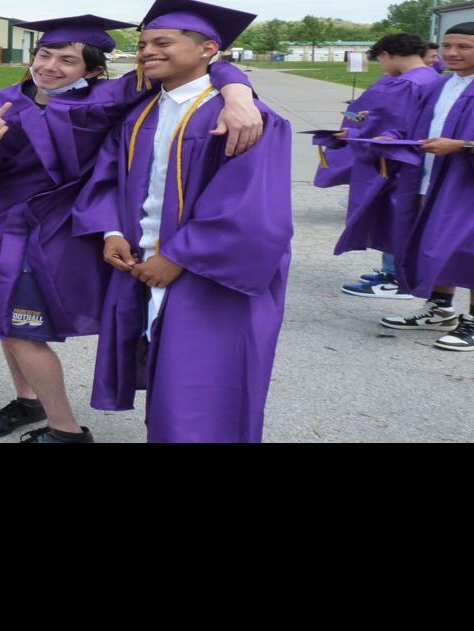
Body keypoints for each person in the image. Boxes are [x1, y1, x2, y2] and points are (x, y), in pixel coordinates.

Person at [0, 13, 261, 442]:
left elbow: (202, 62)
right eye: (44, 54)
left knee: (21, 328)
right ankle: (27, 401)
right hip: (0, 227)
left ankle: (66, 430)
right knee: (6, 321)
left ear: (92, 69)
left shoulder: (112, 98)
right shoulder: (2, 102)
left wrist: (238, 90)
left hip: (58, 230)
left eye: (67, 60)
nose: (50, 66)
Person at [73, 0, 292, 443]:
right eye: (143, 44)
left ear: (209, 48)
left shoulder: (243, 117)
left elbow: (249, 205)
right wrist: (112, 231)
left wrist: (178, 257)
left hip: (209, 271)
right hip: (144, 265)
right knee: (169, 378)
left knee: (206, 384)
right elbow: (109, 176)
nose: (147, 51)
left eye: (162, 42)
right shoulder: (141, 113)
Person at [377, 22, 474, 352]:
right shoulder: (440, 86)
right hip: (434, 177)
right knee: (437, 242)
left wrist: (463, 146)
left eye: (464, 47)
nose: (452, 53)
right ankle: (439, 310)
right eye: (447, 46)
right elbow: (416, 127)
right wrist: (393, 137)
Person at [331, 32, 445, 301]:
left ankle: (395, 276)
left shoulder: (405, 83)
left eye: (381, 61)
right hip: (419, 157)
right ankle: (393, 271)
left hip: (397, 160)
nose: (383, 67)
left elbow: (388, 128)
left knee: (397, 215)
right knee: (406, 215)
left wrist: (354, 134)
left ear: (387, 54)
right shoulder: (433, 79)